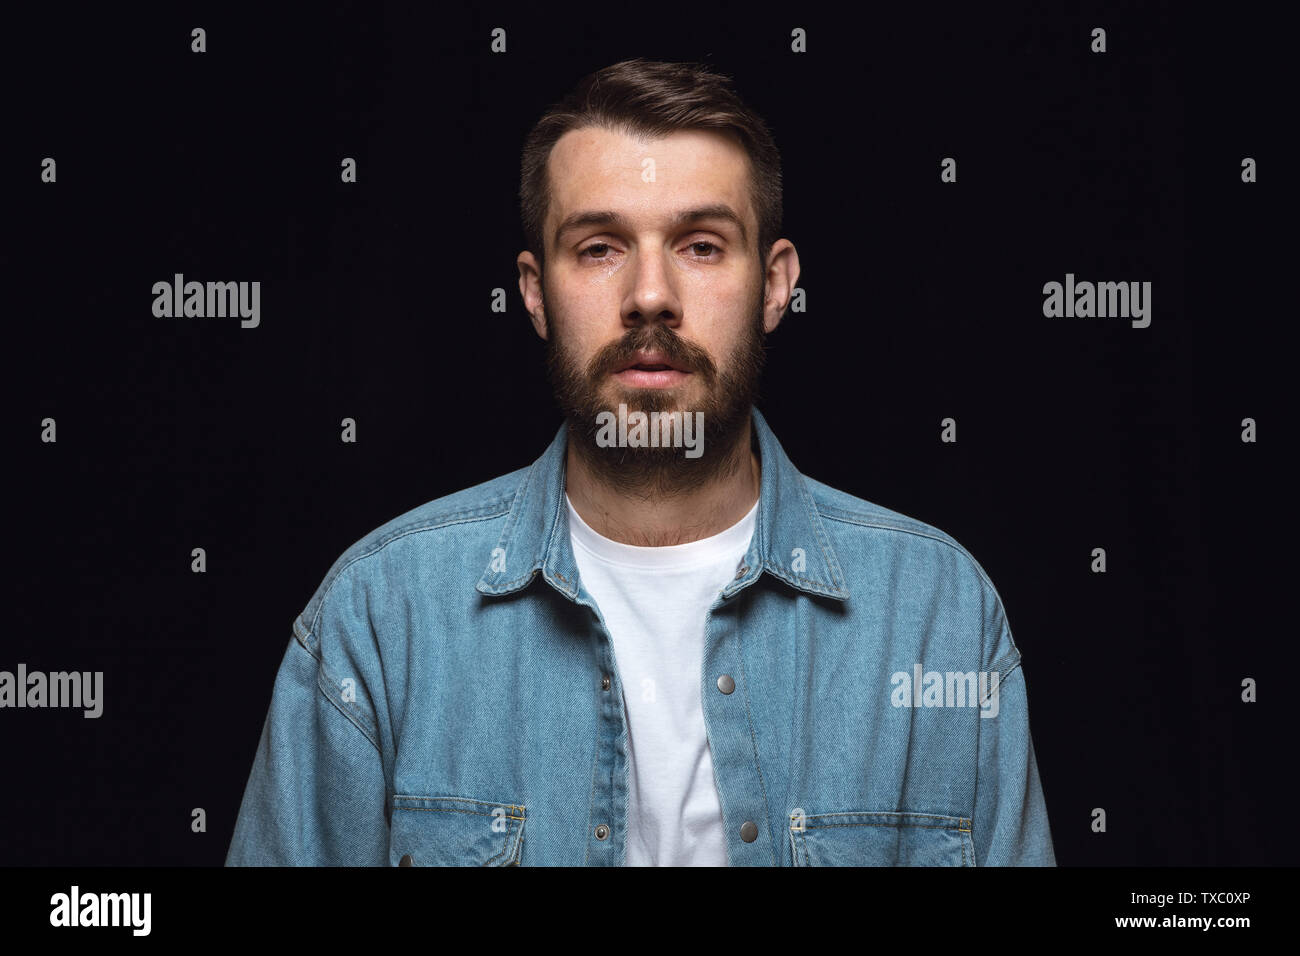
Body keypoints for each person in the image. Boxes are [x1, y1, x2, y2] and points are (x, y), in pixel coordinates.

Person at [226, 58, 1055, 866]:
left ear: (776, 285)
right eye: (599, 247)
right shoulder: (380, 618)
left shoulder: (937, 617)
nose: (650, 295)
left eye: (700, 245)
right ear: (535, 292)